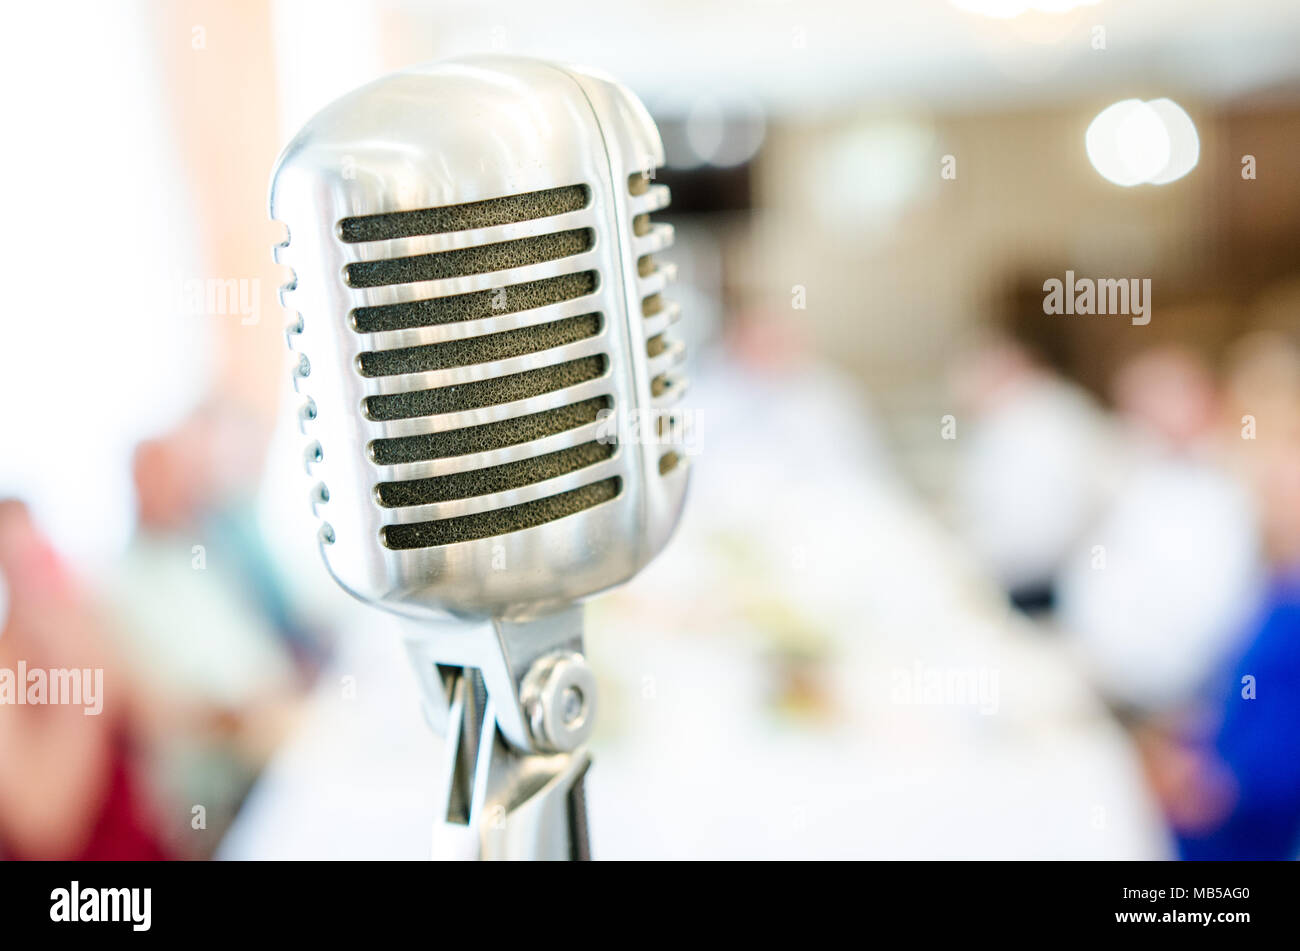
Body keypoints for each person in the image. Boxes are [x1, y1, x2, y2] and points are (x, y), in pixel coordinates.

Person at [0, 500, 171, 860]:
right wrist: (73, 679)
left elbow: (156, 725)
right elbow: (45, 831)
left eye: (38, 556)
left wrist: (93, 641)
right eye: (17, 565)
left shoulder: (83, 623)